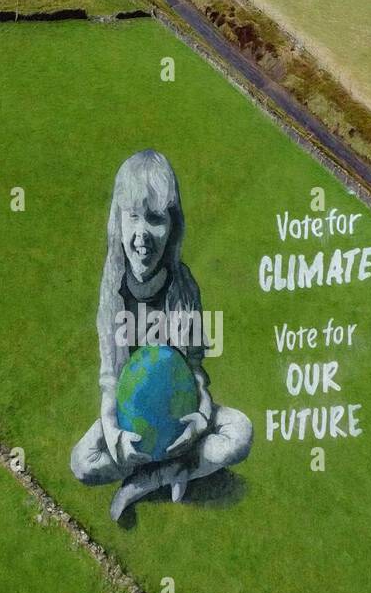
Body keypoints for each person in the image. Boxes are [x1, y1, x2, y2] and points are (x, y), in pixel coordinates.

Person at [70, 150, 252, 521]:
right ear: (117, 223)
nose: (141, 236)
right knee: (82, 462)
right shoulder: (113, 290)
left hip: (180, 419)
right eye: (132, 217)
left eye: (154, 219)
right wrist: (113, 432)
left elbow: (195, 369)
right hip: (130, 423)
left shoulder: (183, 286)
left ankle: (154, 478)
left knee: (241, 432)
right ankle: (167, 469)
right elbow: (110, 379)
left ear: (172, 227)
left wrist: (201, 417)